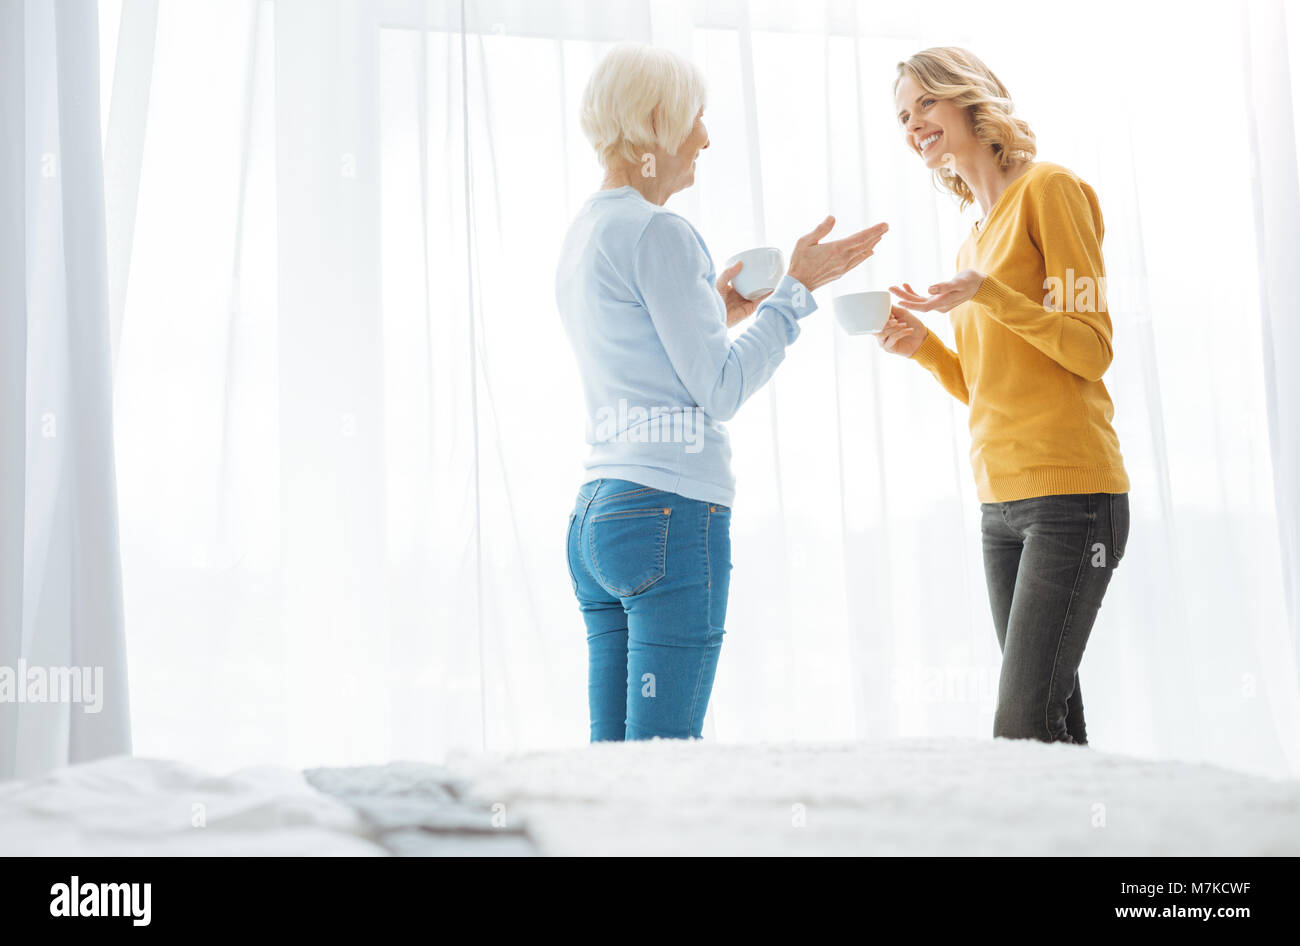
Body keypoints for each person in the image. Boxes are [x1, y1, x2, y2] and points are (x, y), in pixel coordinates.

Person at [557, 43, 888, 741]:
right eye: (697, 118)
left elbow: (641, 351)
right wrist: (795, 293)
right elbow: (722, 388)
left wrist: (717, 309)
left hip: (598, 518)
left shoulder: (587, 230)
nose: (705, 137)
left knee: (613, 765)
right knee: (665, 760)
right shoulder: (662, 232)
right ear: (657, 119)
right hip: (666, 516)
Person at [879, 47, 1129, 744]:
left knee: (1021, 725)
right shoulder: (971, 245)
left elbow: (1092, 348)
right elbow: (988, 388)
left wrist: (992, 295)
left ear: (969, 99)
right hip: (1001, 503)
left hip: (1073, 498)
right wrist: (924, 347)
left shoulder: (1049, 190)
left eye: (926, 102)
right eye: (903, 115)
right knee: (1052, 725)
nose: (914, 123)